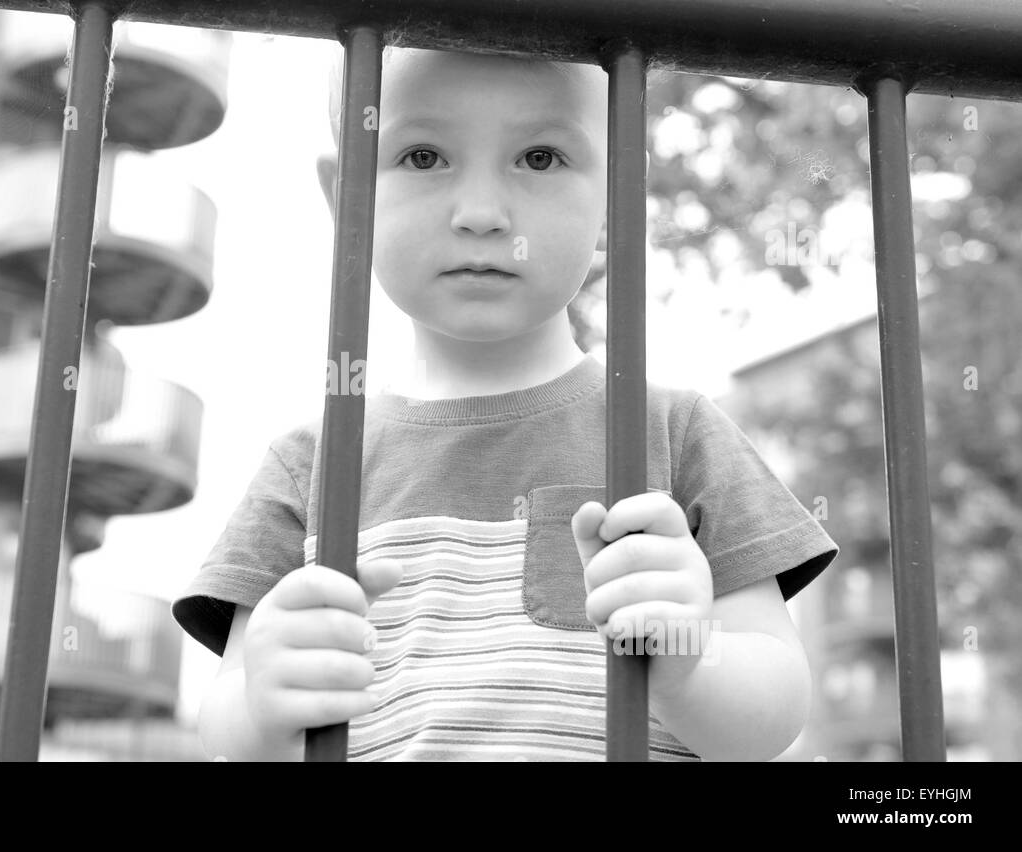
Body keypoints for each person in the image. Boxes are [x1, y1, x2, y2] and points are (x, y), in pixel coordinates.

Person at [172, 44, 839, 761]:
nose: (483, 214)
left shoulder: (675, 432)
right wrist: (261, 703)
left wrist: (692, 662)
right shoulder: (308, 466)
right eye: (424, 156)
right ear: (348, 195)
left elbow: (777, 713)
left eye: (541, 157)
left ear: (615, 192)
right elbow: (224, 724)